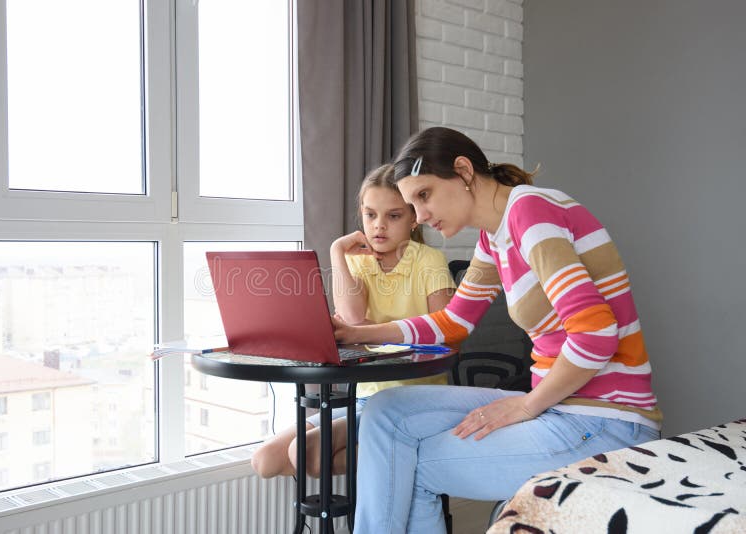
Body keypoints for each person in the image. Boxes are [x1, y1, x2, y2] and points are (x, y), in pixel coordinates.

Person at [333, 127, 663, 533]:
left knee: (414, 463)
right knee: (385, 412)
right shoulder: (495, 236)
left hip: (604, 419)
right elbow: (453, 323)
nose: (420, 217)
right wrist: (358, 333)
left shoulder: (529, 210)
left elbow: (595, 335)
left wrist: (526, 406)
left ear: (463, 171)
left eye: (424, 195)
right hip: (563, 407)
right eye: (412, 204)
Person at [250, 163, 455, 479]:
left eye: (394, 216)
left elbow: (445, 335)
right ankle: (402, 453)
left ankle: (413, 455)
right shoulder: (359, 260)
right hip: (365, 395)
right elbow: (353, 318)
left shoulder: (429, 260)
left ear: (414, 218)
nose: (379, 226)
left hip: (412, 397)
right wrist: (337, 251)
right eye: (370, 215)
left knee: (309, 455)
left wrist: (365, 331)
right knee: (266, 460)